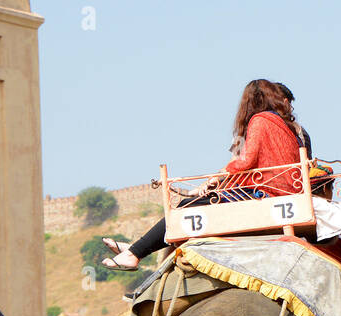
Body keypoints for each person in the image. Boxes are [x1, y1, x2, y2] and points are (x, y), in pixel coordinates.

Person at [102, 79, 308, 271]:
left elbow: (246, 161)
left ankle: (134, 254)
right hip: (287, 191)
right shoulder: (287, 127)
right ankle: (135, 248)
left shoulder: (259, 121)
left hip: (267, 194)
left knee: (185, 209)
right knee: (195, 203)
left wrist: (216, 179)